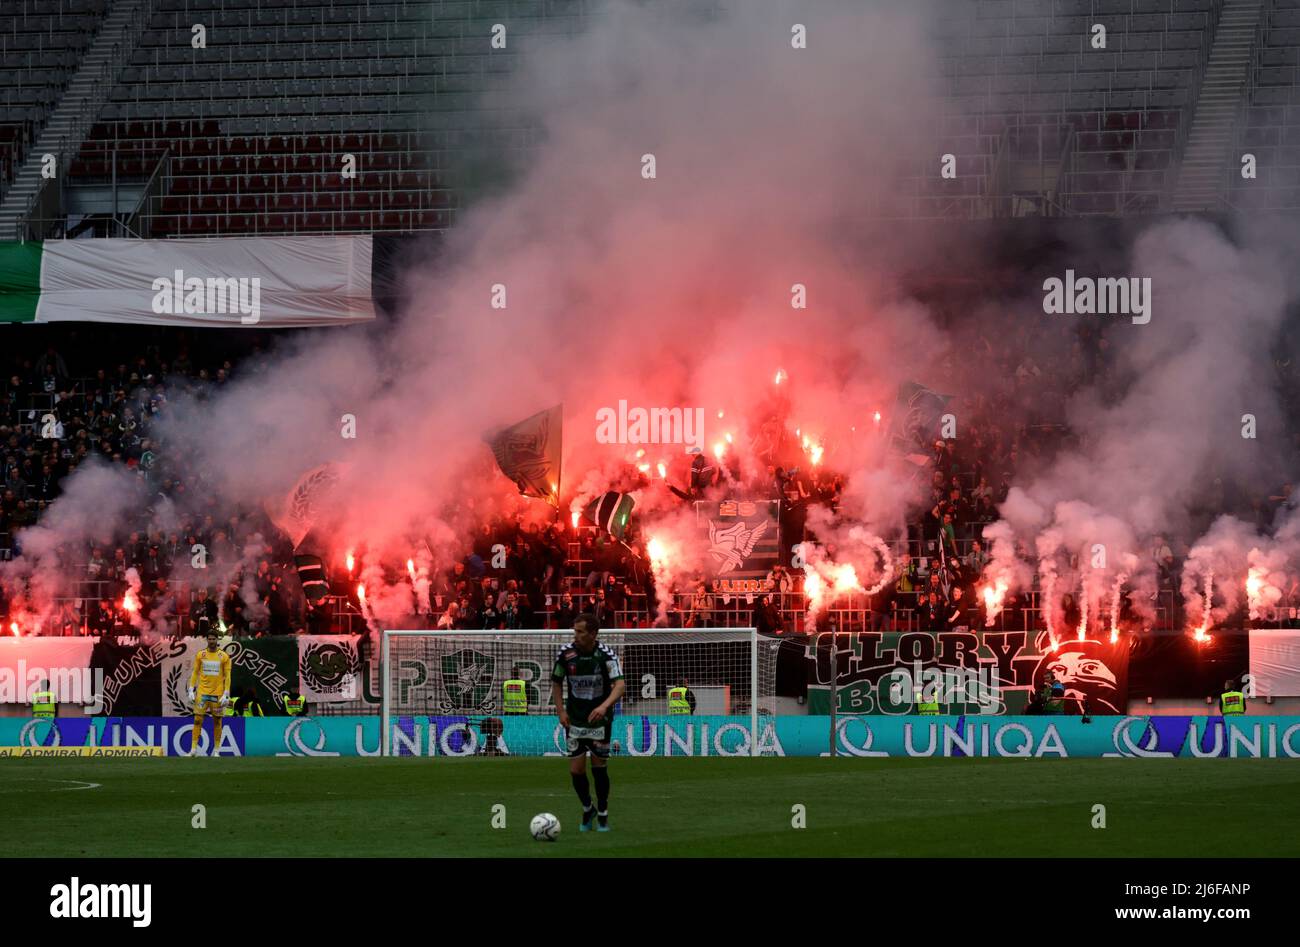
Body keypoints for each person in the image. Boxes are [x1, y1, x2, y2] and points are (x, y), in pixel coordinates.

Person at [551, 612, 625, 833]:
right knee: (576, 770)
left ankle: (602, 812)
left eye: (580, 632)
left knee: (599, 767)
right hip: (574, 719)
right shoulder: (566, 654)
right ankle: (587, 808)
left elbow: (620, 685)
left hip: (599, 721)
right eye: (575, 631)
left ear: (593, 634)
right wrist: (560, 710)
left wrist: (604, 706)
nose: (576, 635)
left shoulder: (606, 655)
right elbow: (556, 682)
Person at [188, 631, 231, 756]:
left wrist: (226, 693)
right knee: (197, 720)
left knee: (217, 721)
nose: (211, 641)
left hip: (217, 694)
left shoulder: (224, 656)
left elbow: (228, 676)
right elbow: (195, 672)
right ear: (207, 640)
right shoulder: (200, 655)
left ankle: (217, 750)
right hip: (202, 693)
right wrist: (191, 689)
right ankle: (193, 750)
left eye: (213, 639)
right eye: (210, 639)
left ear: (217, 640)